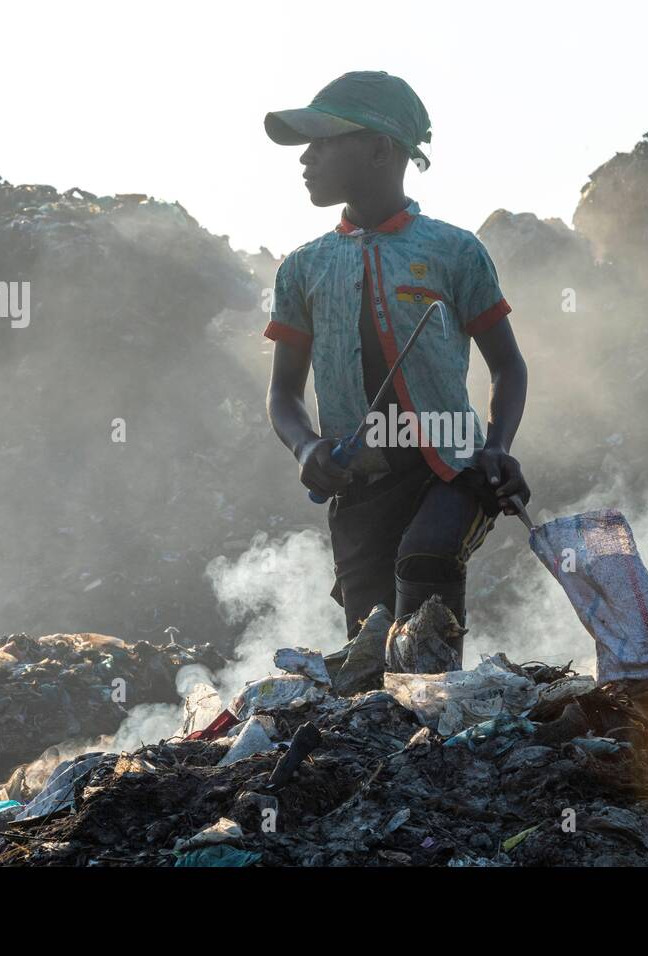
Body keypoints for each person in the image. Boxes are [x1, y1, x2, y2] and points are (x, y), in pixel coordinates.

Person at [263, 71, 530, 666]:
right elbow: (283, 395)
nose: (306, 158)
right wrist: (307, 448)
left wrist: (498, 446)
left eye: (324, 142)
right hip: (361, 487)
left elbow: (508, 368)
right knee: (373, 654)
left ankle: (440, 715)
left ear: (381, 149)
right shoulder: (303, 269)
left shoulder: (453, 251)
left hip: (452, 469)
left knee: (427, 559)